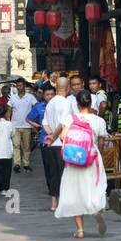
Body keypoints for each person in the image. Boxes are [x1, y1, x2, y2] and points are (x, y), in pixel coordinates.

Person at [51, 90, 110, 238]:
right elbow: (102, 142)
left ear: (77, 104)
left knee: (75, 192)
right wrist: (97, 153)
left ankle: (80, 230)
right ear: (90, 103)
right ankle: (96, 210)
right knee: (94, 187)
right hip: (92, 158)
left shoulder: (70, 118)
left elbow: (63, 137)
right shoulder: (99, 121)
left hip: (74, 159)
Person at [40, 76, 78, 211]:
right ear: (68, 88)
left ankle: (54, 204)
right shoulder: (66, 103)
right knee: (64, 174)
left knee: (53, 174)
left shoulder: (50, 102)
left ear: (56, 88)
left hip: (50, 145)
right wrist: (55, 136)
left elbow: (44, 123)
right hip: (62, 144)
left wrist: (50, 135)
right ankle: (64, 202)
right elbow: (63, 123)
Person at [8, 79, 38, 173]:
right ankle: (17, 164)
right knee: (16, 145)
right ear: (16, 87)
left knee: (26, 146)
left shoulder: (30, 97)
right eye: (18, 86)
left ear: (24, 86)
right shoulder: (13, 98)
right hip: (15, 125)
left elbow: (36, 107)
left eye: (21, 85)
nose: (19, 87)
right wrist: (8, 120)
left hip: (27, 125)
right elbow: (9, 109)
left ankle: (26, 164)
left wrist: (34, 120)